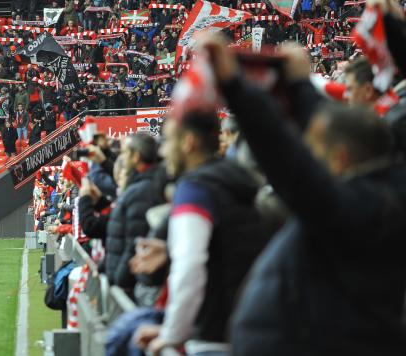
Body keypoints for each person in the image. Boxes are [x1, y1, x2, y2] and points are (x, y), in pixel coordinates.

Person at [199, 37, 406, 356]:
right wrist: (298, 86)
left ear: (339, 158)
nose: (309, 152)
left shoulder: (356, 211)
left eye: (315, 149)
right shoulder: (380, 190)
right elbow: (334, 127)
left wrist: (236, 88)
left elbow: (288, 162)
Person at [136, 110, 269, 356]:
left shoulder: (195, 188)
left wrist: (172, 332)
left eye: (168, 141)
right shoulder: (235, 179)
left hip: (212, 338)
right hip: (248, 331)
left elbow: (189, 266)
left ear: (188, 142)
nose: (163, 152)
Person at [104, 133, 165, 291]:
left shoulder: (141, 191)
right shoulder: (137, 187)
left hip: (128, 287)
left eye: (125, 152)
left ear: (136, 156)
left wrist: (119, 279)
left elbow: (133, 242)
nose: (122, 157)